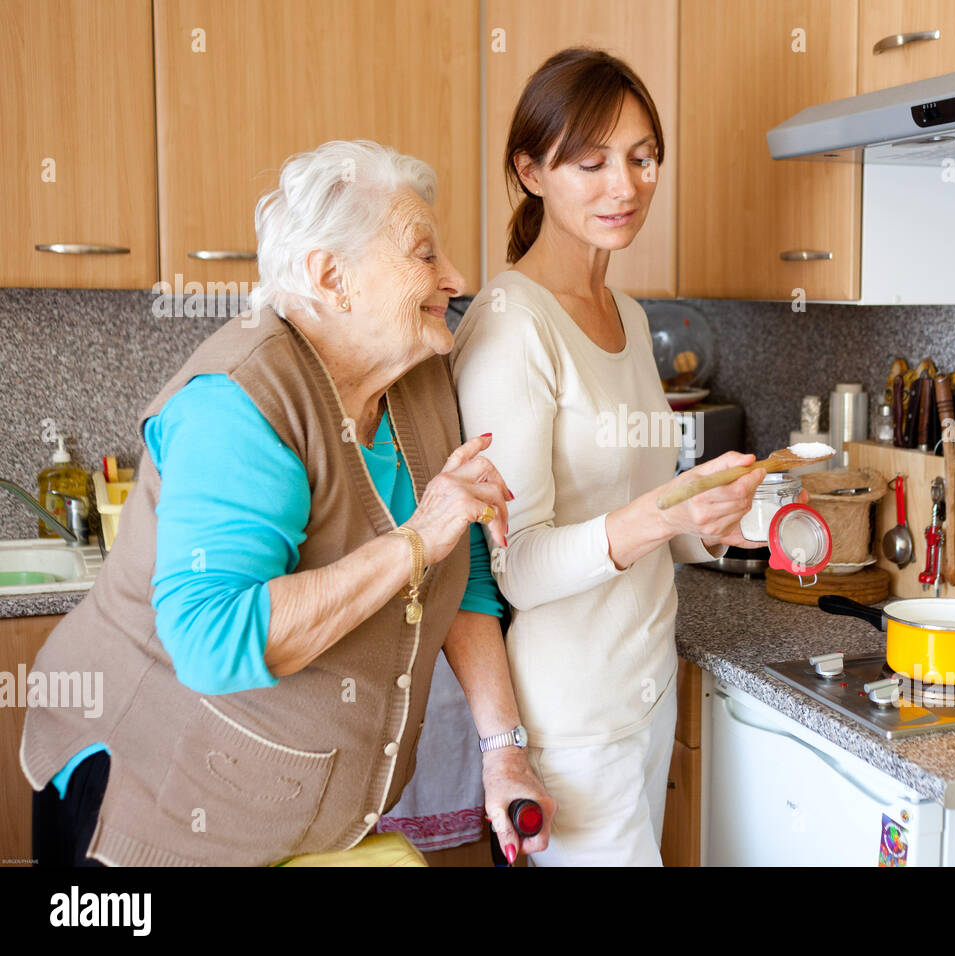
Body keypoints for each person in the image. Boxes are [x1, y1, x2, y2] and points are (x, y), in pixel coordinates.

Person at [21, 140, 553, 866]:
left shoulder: (420, 378)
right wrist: (414, 541)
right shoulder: (240, 402)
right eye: (424, 255)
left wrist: (503, 751)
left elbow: (465, 579)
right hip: (148, 804)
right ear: (333, 277)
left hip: (300, 824)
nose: (454, 277)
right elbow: (214, 642)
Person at [452, 48, 766, 865]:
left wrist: (716, 523)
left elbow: (645, 501)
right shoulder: (511, 327)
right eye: (589, 164)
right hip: (574, 724)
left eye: (641, 158)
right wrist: (664, 512)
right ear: (531, 172)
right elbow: (518, 564)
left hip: (644, 687)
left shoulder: (623, 310)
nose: (624, 187)